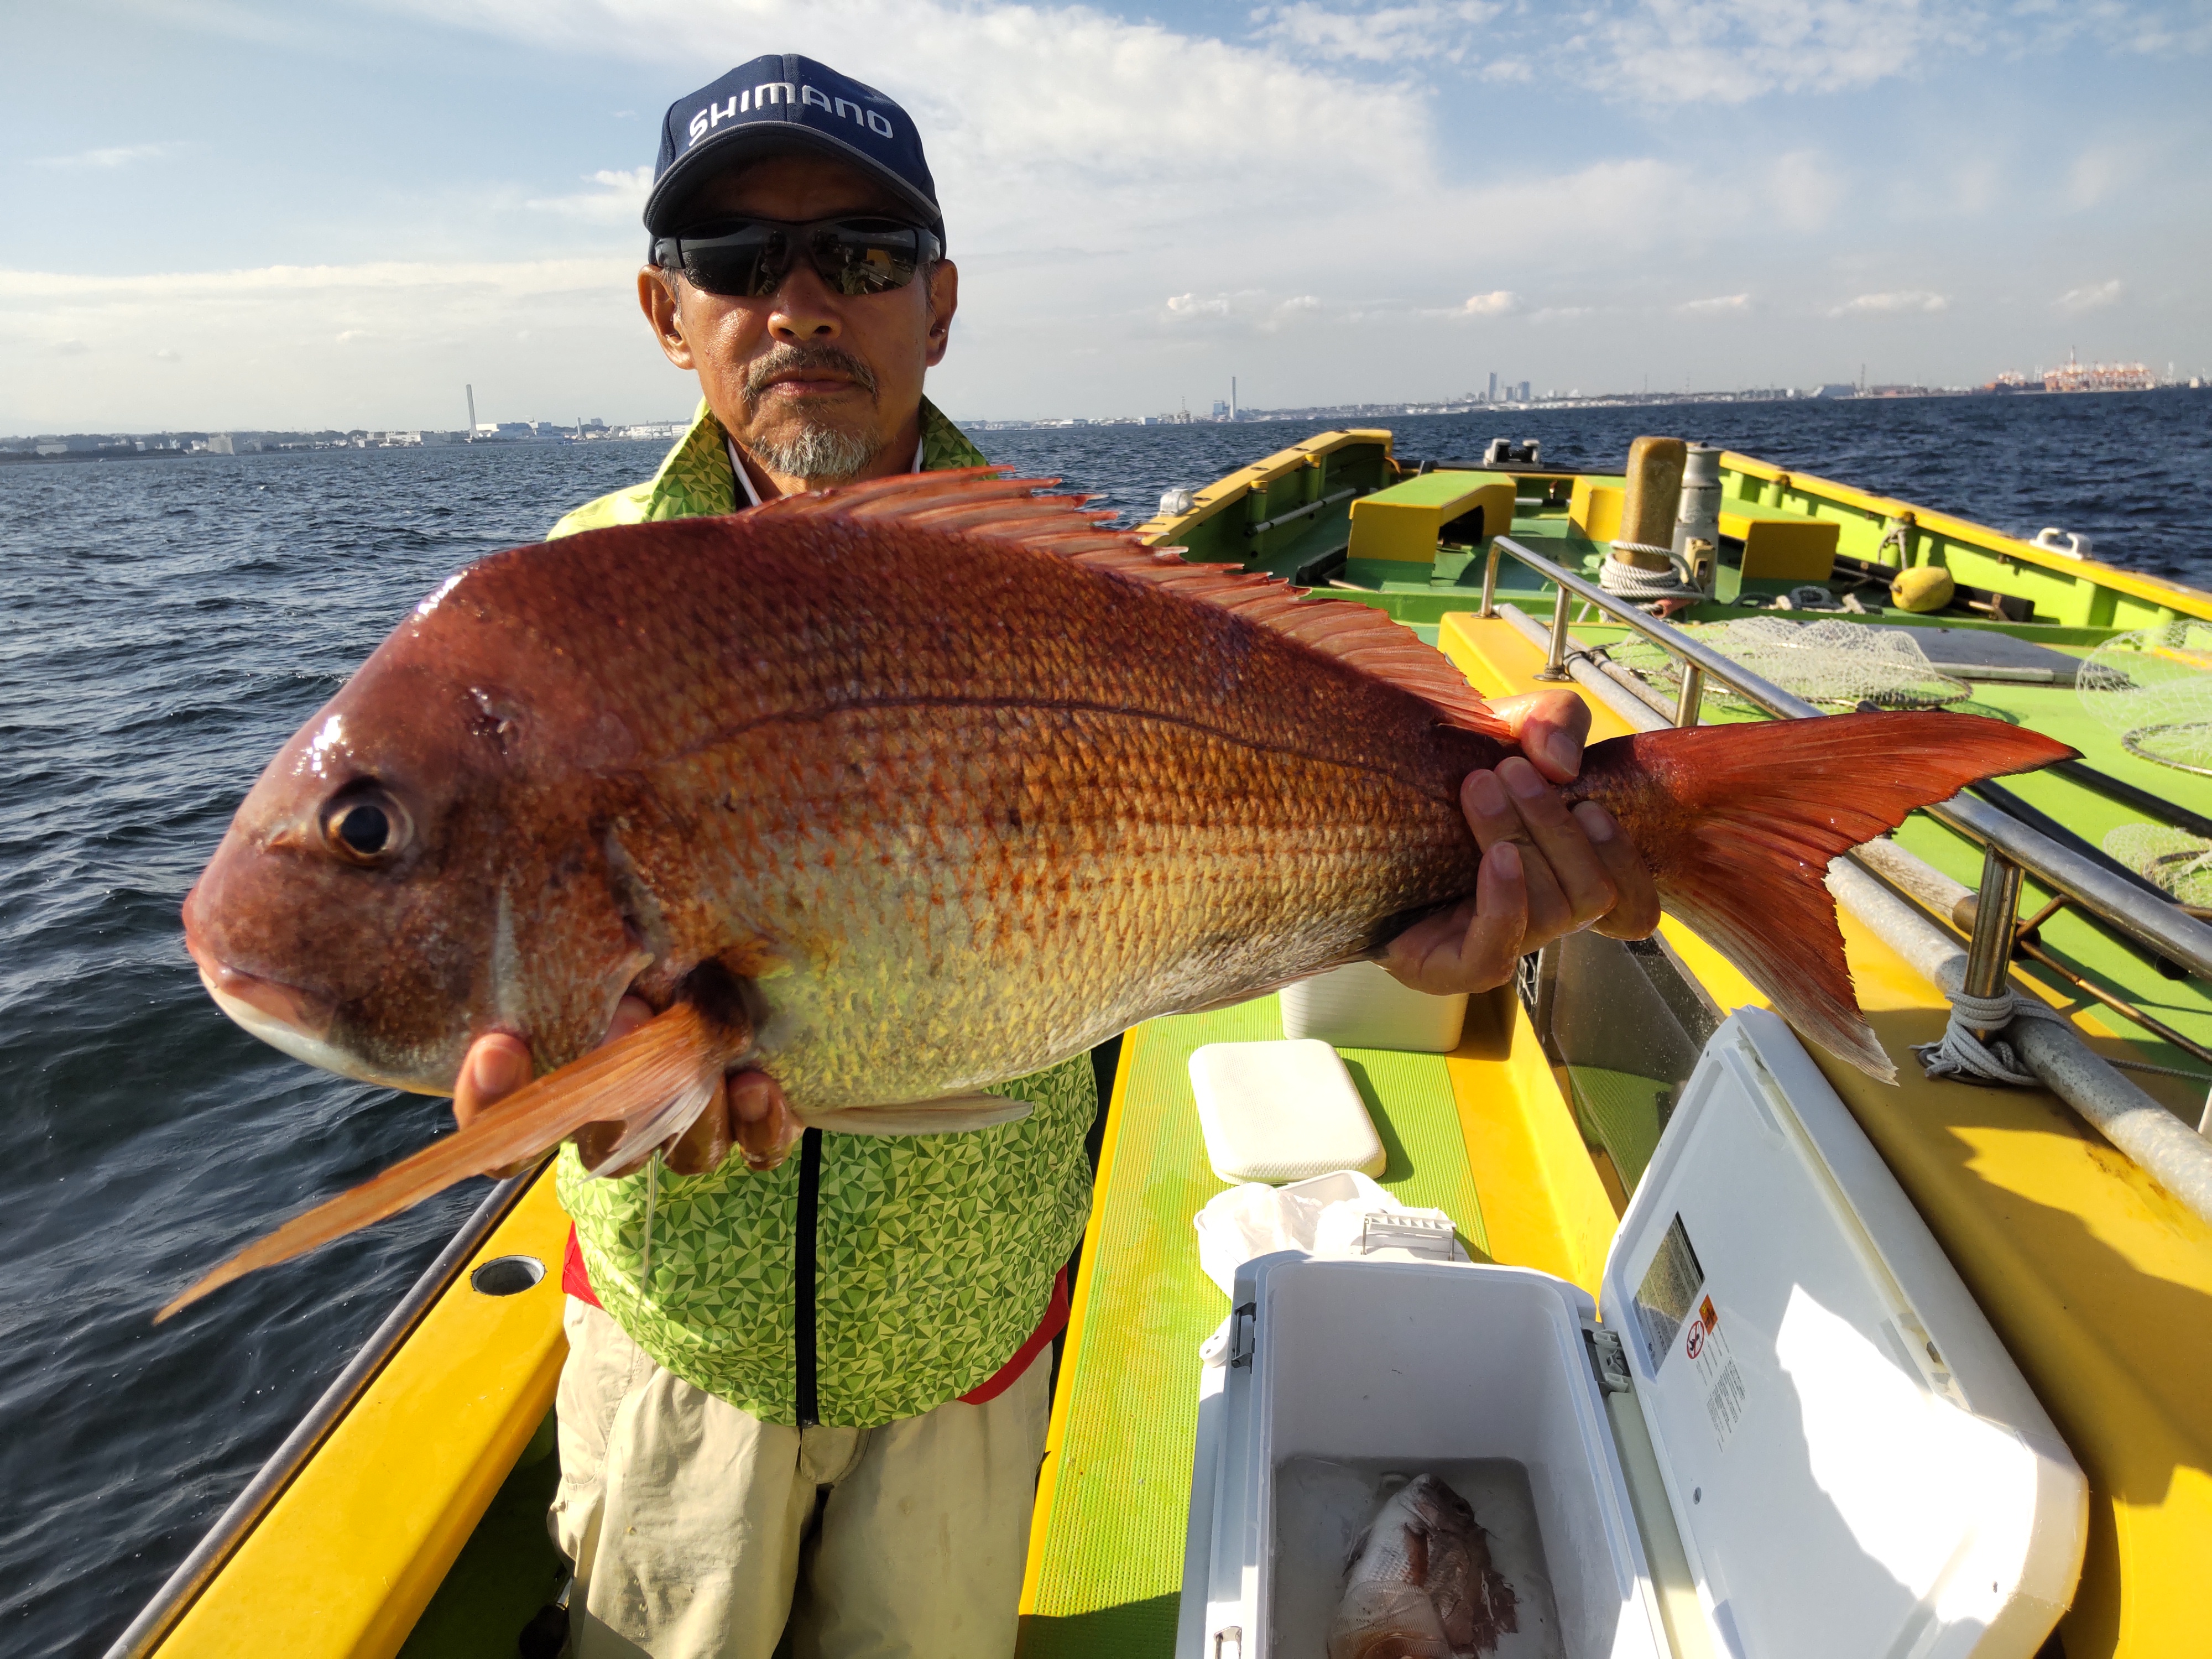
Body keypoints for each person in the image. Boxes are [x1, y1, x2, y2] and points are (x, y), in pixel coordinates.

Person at [453, 52, 1660, 1659]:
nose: (799, 301)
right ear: (664, 313)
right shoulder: (556, 614)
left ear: (937, 303)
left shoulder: (1096, 606)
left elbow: (1173, 887)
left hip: (975, 1360)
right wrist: (556, 1086)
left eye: (861, 258)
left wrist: (1411, 906)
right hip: (686, 1364)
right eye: (737, 262)